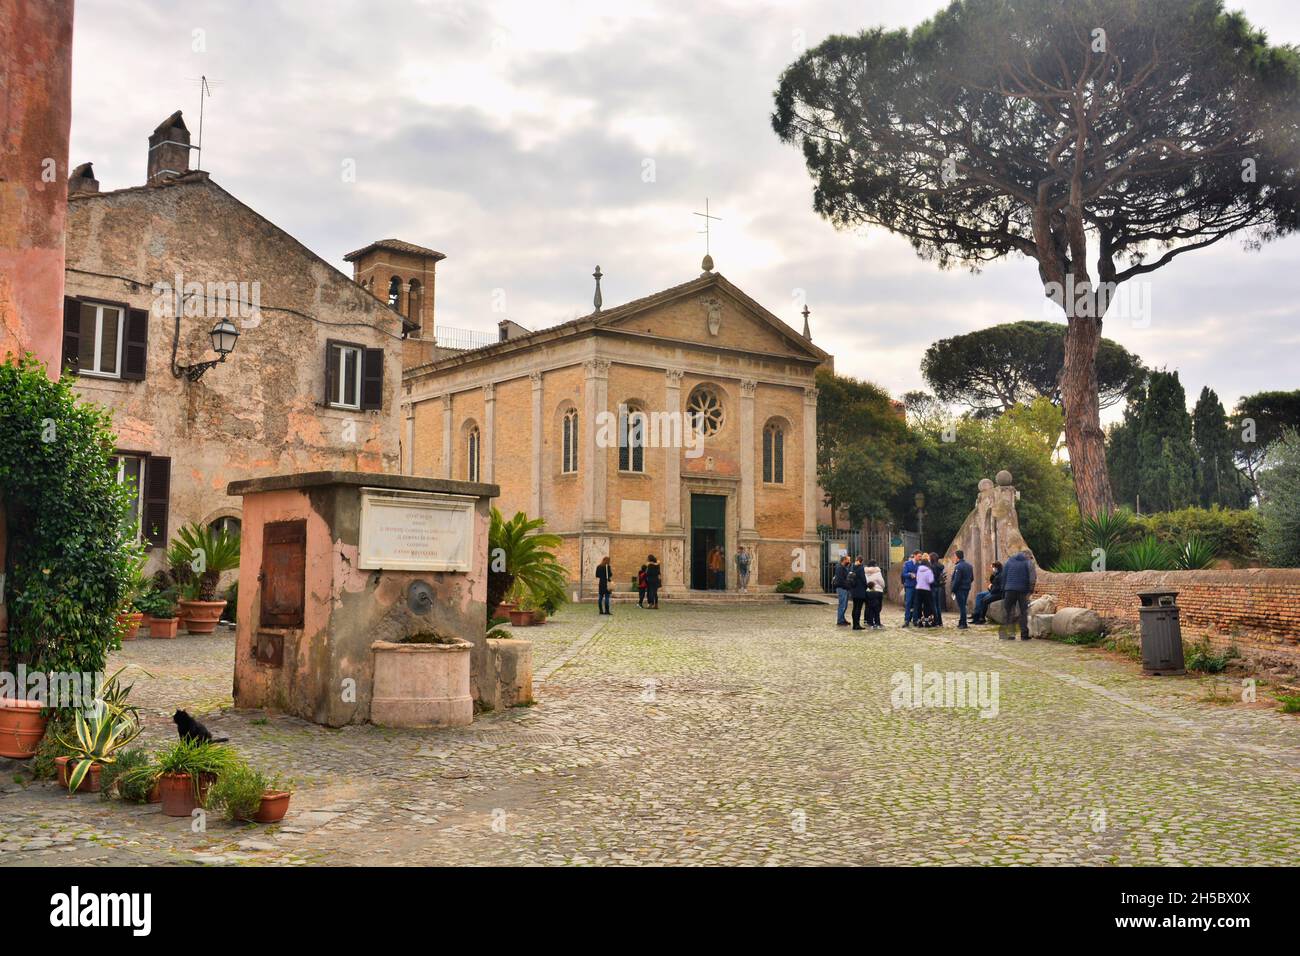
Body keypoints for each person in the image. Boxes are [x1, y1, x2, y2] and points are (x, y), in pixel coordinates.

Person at [1000, 549, 1037, 640]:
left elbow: (1003, 576)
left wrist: (1004, 589)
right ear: (1028, 555)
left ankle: (1007, 634)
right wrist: (1030, 590)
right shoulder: (1029, 563)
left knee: (1008, 612)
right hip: (1023, 591)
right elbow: (1032, 579)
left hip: (1009, 590)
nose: (1031, 559)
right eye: (1031, 557)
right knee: (1023, 613)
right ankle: (1024, 635)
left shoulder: (1008, 561)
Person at [950, 549, 974, 629]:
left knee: (962, 606)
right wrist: (967, 583)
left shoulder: (958, 566)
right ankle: (961, 621)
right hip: (967, 588)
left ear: (957, 557)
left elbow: (957, 580)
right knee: (963, 605)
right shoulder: (969, 566)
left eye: (954, 556)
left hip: (959, 589)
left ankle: (963, 623)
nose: (954, 558)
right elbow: (972, 578)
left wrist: (953, 589)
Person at [863, 558, 885, 629]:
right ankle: (877, 622)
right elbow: (881, 582)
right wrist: (883, 587)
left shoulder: (865, 572)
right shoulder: (877, 572)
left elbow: (865, 581)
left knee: (869, 607)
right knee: (877, 608)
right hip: (878, 591)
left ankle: (869, 621)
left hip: (868, 591)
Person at [848, 556, 869, 630]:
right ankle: (857, 625)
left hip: (853, 590)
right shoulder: (860, 568)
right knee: (858, 608)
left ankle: (854, 624)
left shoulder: (852, 567)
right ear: (861, 561)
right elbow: (863, 579)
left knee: (854, 607)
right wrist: (866, 586)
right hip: (860, 591)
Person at [832, 554, 852, 626]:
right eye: (848, 560)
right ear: (844, 560)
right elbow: (841, 580)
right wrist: (847, 585)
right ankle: (840, 620)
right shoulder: (840, 568)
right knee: (842, 605)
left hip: (844, 588)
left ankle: (842, 619)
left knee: (845, 605)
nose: (849, 561)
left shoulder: (844, 567)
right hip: (842, 588)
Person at [914, 556, 934, 627]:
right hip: (926, 590)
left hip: (918, 589)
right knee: (926, 606)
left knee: (919, 605)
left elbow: (917, 579)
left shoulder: (918, 570)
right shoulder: (929, 570)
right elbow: (931, 580)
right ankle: (926, 621)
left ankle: (919, 621)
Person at [901, 552, 919, 627]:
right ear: (915, 556)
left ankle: (915, 620)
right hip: (909, 586)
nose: (920, 557)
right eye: (919, 556)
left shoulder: (920, 564)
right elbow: (903, 574)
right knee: (908, 603)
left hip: (917, 586)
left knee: (916, 603)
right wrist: (910, 574)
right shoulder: (907, 563)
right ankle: (907, 620)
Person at [929, 552, 945, 627]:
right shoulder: (941, 566)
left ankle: (936, 621)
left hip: (933, 586)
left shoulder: (931, 567)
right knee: (938, 605)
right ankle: (940, 621)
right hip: (939, 586)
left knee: (934, 605)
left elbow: (930, 578)